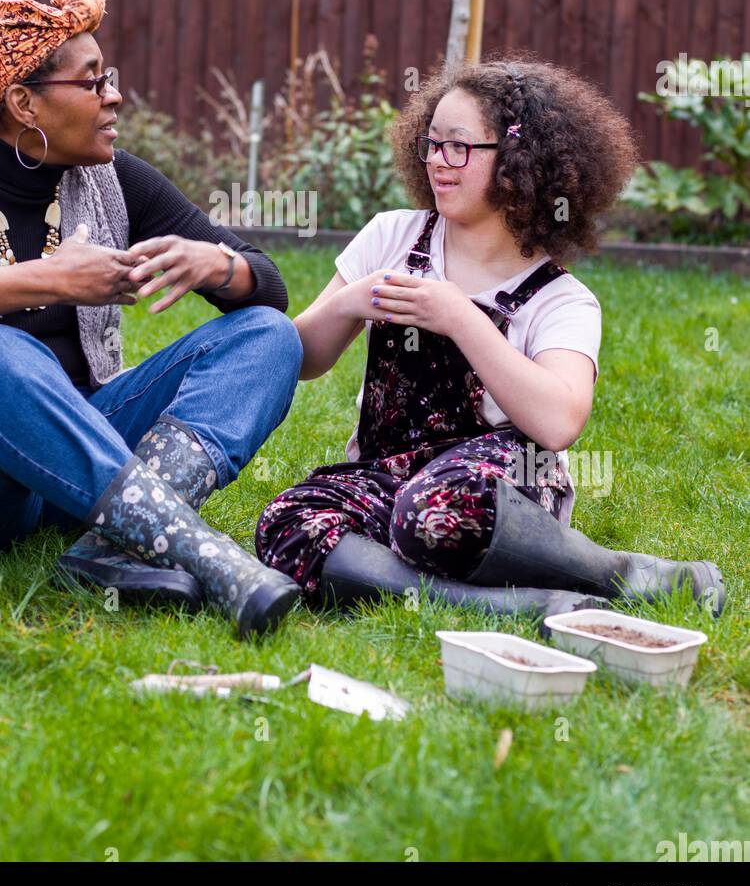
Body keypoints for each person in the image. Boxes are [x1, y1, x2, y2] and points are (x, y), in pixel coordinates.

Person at [0, 0, 303, 637]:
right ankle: (204, 555)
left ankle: (108, 551)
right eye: (92, 82)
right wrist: (43, 280)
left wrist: (219, 266)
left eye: (108, 77)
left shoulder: (112, 179)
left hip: (71, 463)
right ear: (23, 102)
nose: (113, 95)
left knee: (267, 337)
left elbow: (272, 289)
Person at [256, 58, 725, 620]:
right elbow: (304, 359)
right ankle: (510, 606)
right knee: (290, 521)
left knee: (432, 509)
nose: (437, 161)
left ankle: (628, 575)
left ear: (519, 163)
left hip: (498, 496)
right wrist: (349, 301)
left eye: (459, 147)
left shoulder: (561, 300)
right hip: (388, 477)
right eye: (431, 143)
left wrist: (461, 316)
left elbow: (558, 421)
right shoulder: (392, 236)